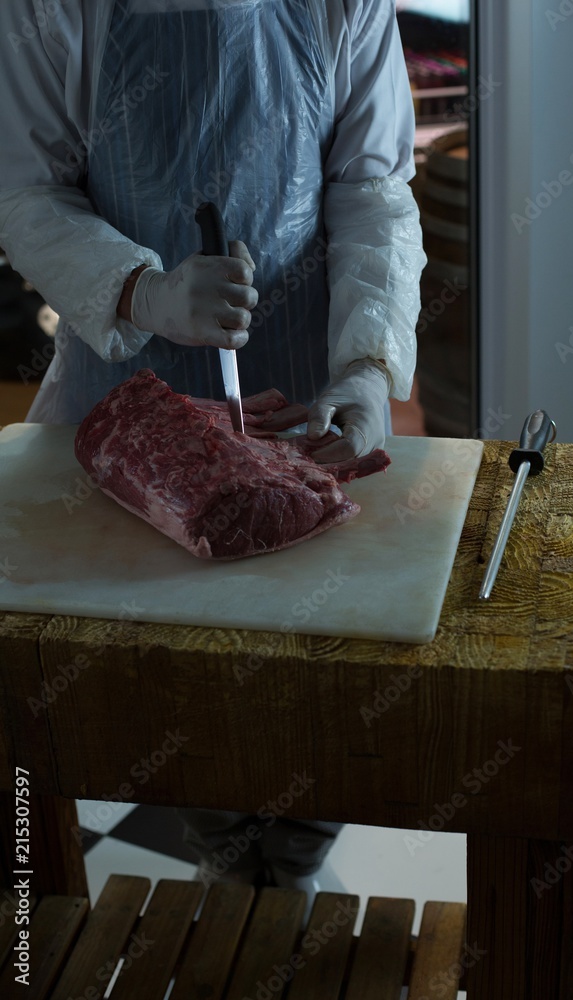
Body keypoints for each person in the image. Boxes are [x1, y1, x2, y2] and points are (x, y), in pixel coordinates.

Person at [0, 0, 426, 895]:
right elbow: (25, 191)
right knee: (170, 670)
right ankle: (222, 852)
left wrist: (364, 361)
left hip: (305, 385)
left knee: (323, 654)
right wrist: (140, 291)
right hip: (123, 394)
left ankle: (297, 861)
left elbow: (371, 187)